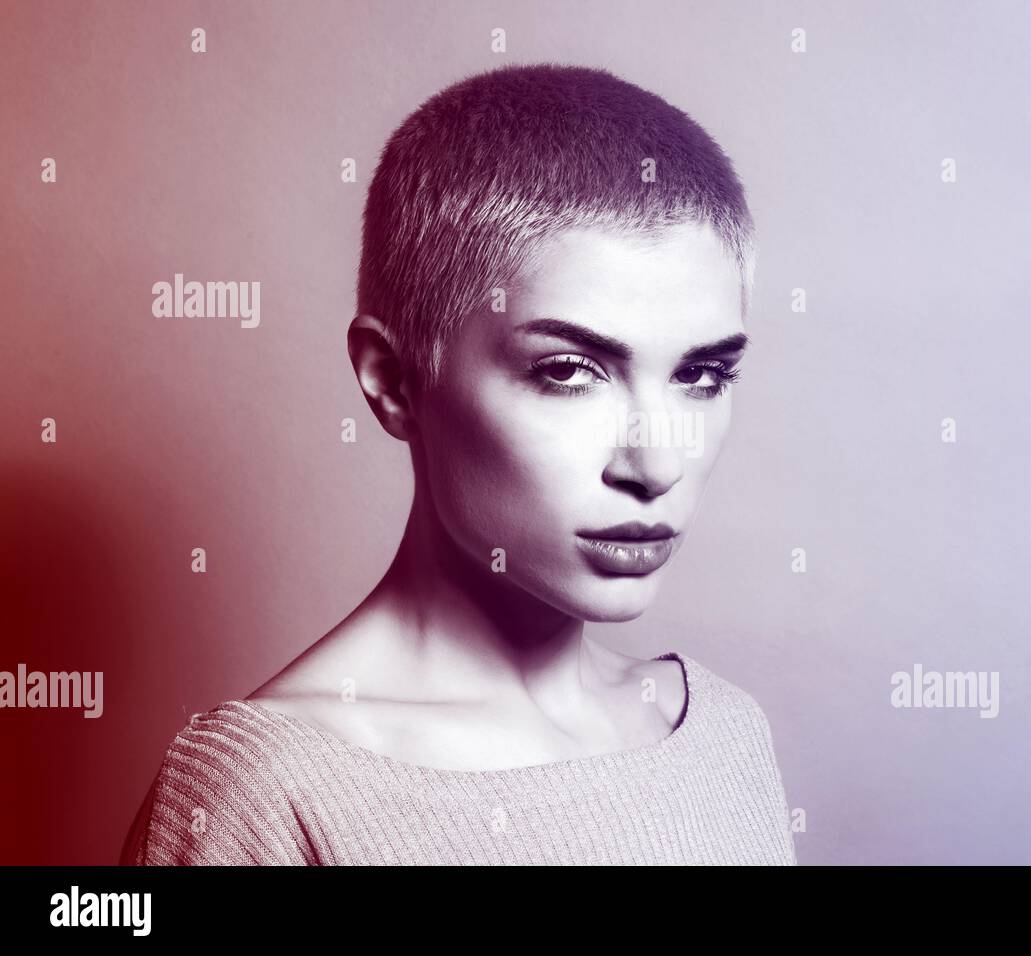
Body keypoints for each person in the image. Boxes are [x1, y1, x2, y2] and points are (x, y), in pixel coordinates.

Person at [120, 62, 797, 865]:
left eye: (701, 376)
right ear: (395, 380)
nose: (658, 463)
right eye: (568, 372)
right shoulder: (268, 798)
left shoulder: (725, 738)